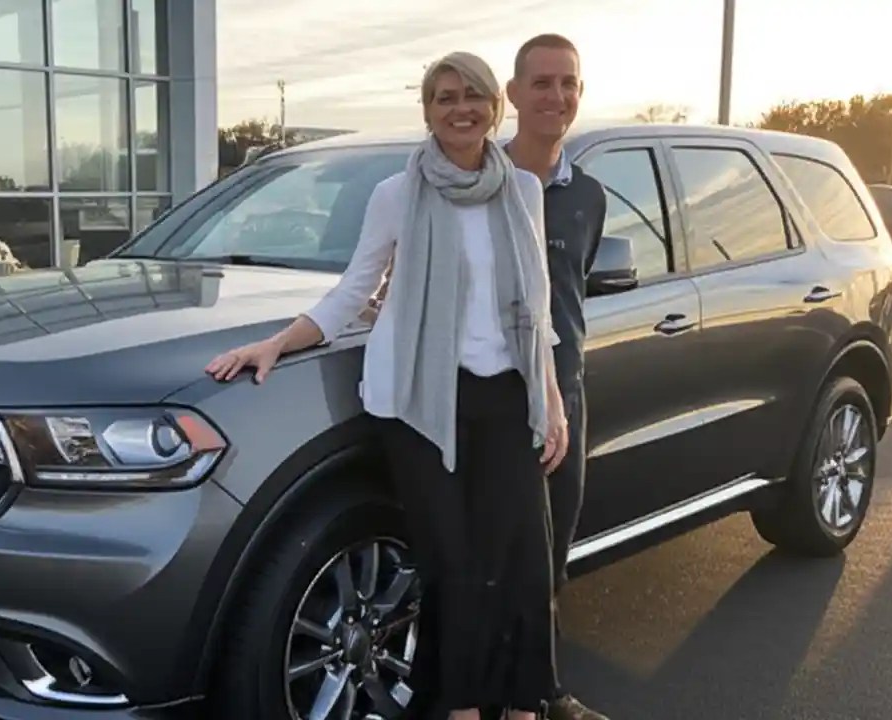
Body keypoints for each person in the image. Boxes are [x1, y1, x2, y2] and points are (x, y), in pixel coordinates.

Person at [205, 51, 569, 720]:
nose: (460, 108)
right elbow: (355, 292)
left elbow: (535, 307)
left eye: (473, 96)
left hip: (505, 394)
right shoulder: (397, 196)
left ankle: (522, 706)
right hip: (419, 401)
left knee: (522, 565)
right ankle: (459, 709)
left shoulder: (523, 191)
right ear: (428, 110)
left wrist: (548, 396)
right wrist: (275, 344)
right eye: (444, 97)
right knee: (453, 566)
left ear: (495, 107)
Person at [504, 34, 609, 720]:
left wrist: (559, 391)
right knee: (494, 559)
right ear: (513, 95)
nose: (557, 96)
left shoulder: (589, 196)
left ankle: (537, 696)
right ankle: (487, 697)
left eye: (568, 83)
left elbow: (572, 294)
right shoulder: (482, 182)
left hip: (562, 397)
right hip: (487, 398)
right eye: (541, 83)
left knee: (550, 558)